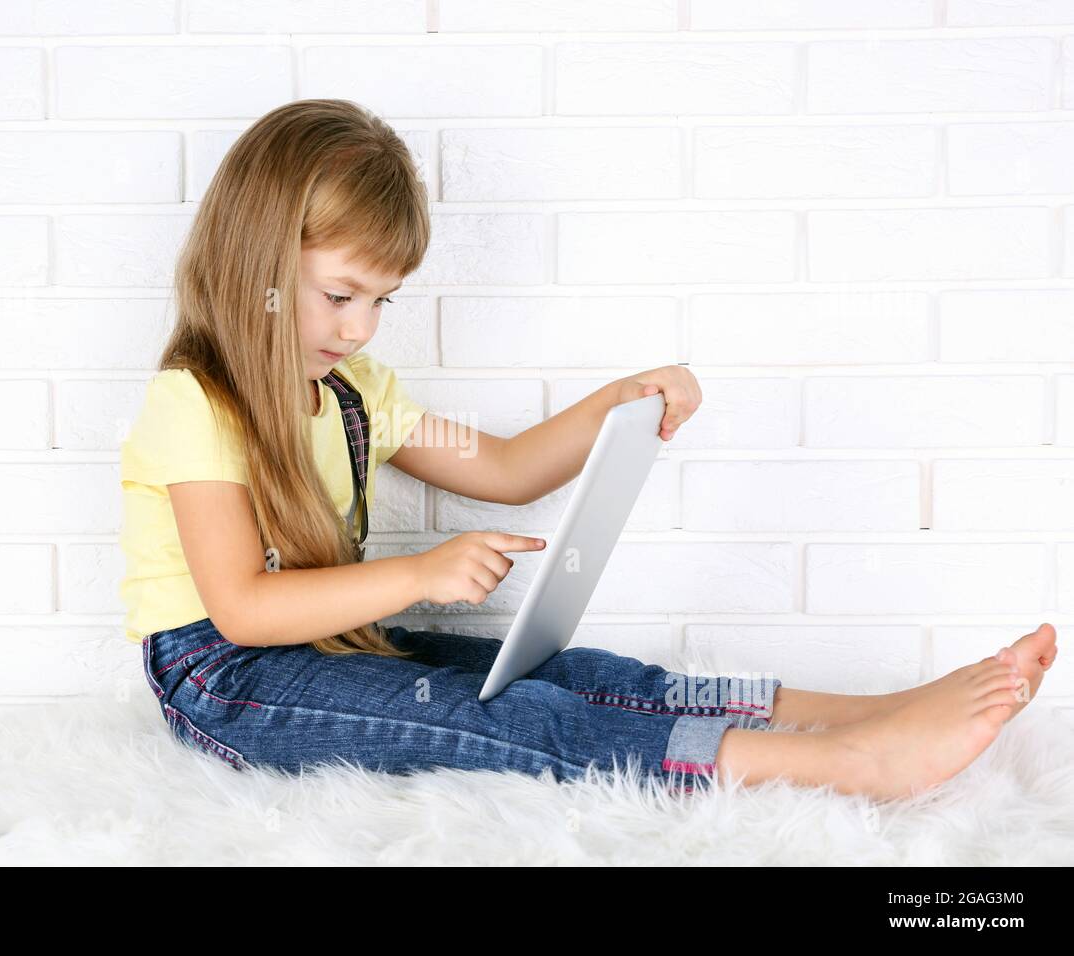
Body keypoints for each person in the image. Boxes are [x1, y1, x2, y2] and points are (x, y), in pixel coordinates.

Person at [119, 98, 1059, 802]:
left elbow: (507, 467)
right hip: (227, 683)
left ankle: (870, 713)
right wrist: (420, 576)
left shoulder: (358, 397)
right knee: (505, 715)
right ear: (259, 262)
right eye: (340, 295)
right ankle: (843, 763)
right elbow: (239, 611)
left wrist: (619, 402)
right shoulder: (194, 404)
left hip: (320, 647)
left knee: (570, 675)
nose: (361, 328)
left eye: (381, 302)